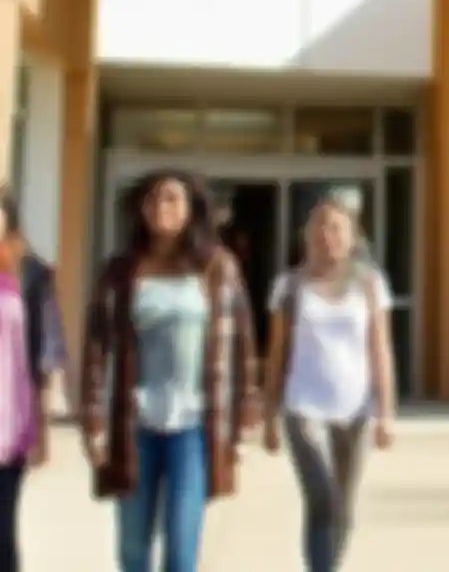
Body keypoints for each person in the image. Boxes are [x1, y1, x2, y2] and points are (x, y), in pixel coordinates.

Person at [80, 170, 260, 572]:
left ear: (192, 209)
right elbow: (96, 348)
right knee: (133, 550)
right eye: (154, 200)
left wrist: (244, 422)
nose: (162, 208)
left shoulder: (217, 267)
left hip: (193, 427)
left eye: (172, 199)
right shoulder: (121, 271)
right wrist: (93, 423)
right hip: (134, 425)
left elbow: (242, 345)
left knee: (181, 551)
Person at [262, 194, 397, 572]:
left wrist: (386, 413)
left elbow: (381, 350)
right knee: (321, 497)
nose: (327, 234)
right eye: (319, 225)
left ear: (353, 236)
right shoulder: (288, 286)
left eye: (336, 226)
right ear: (306, 235)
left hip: (356, 410)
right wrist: (270, 416)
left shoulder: (370, 285)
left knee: (344, 507)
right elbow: (277, 355)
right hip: (304, 406)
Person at [0, 186, 63, 572]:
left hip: (9, 426)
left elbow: (46, 353)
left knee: (2, 534)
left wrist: (43, 426)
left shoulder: (31, 273)